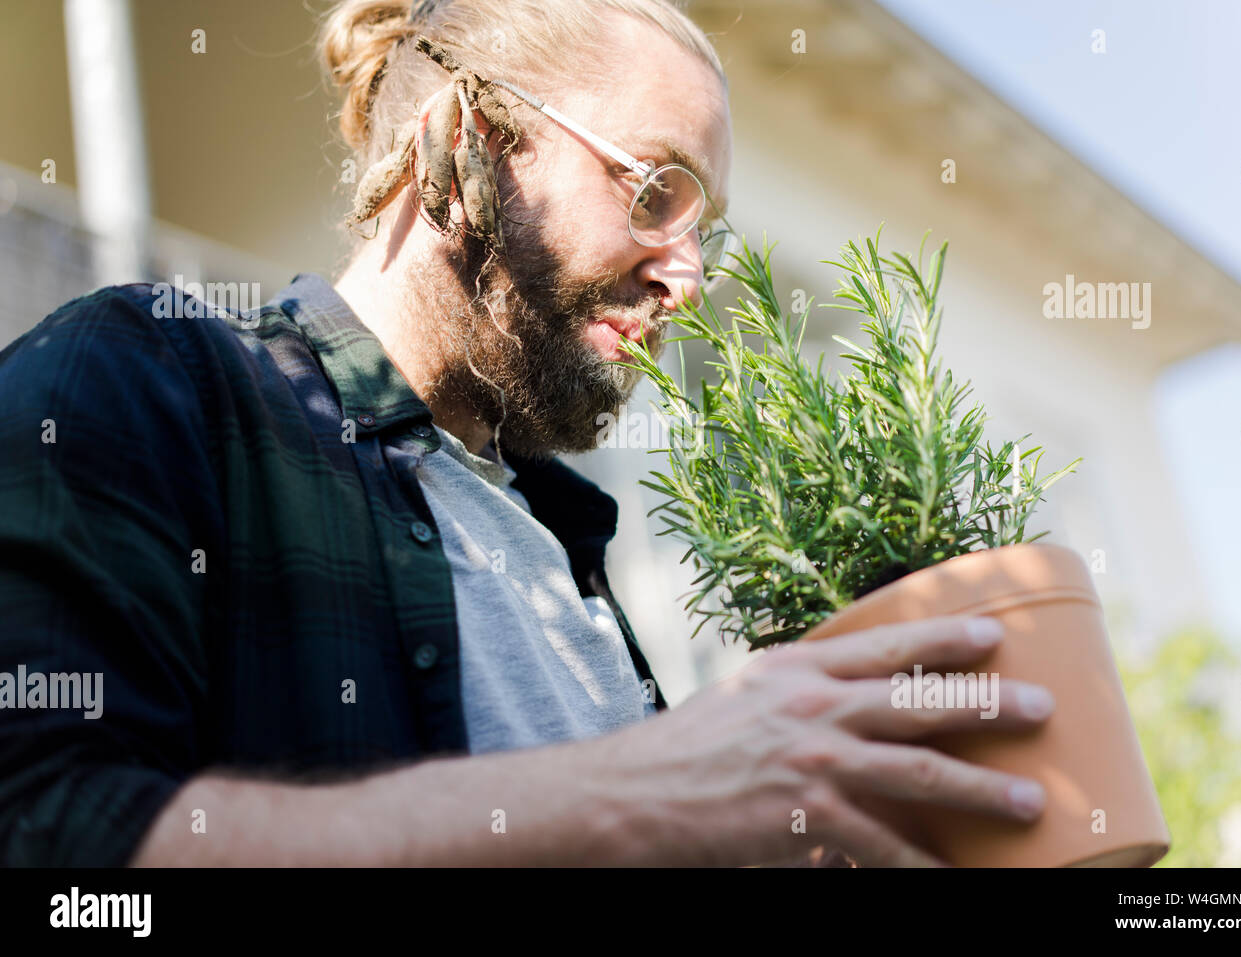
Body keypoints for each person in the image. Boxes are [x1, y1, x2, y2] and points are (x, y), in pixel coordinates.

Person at [0, 0, 1053, 867]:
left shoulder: (563, 546)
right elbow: (47, 839)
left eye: (706, 229)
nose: (687, 278)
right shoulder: (147, 379)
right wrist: (647, 788)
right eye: (653, 189)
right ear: (462, 134)